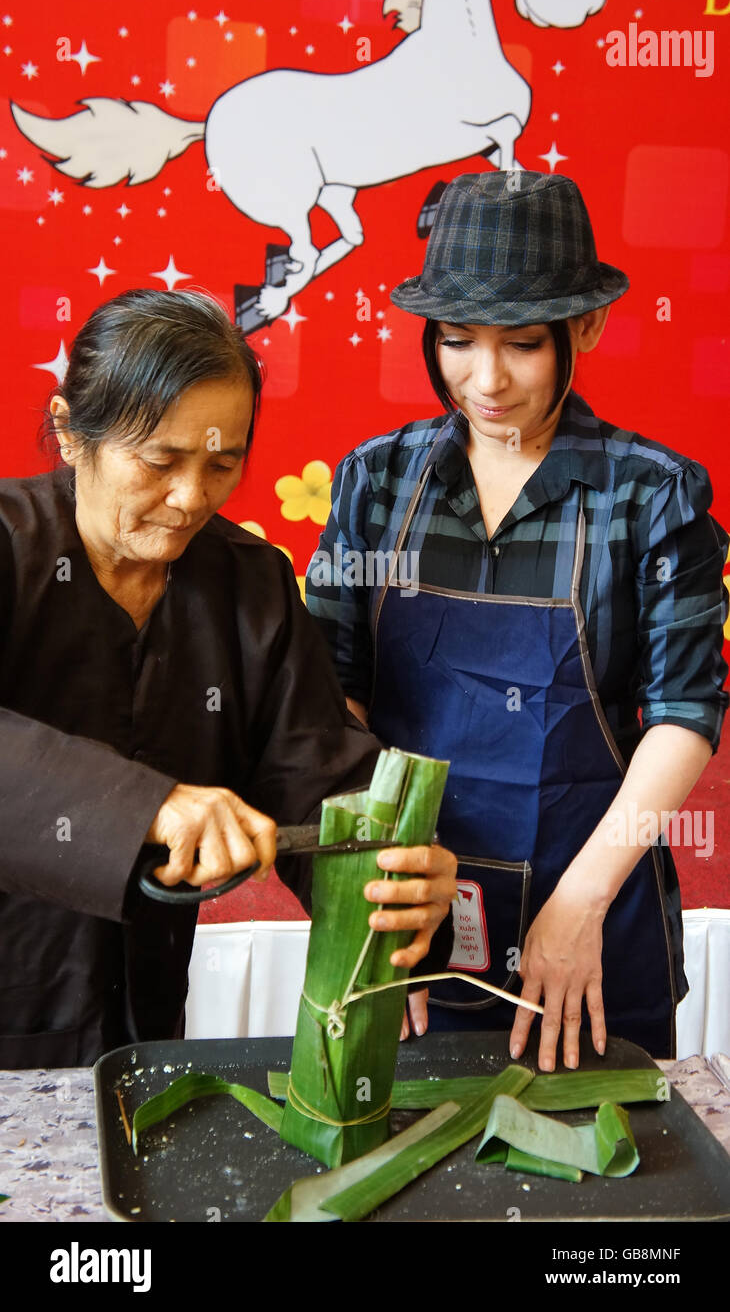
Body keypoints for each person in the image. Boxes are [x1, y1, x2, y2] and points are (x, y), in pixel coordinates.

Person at [306, 171, 729, 1069]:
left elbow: (685, 715)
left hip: (591, 909)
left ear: (588, 327)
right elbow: (327, 692)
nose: (485, 379)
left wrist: (577, 906)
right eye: (456, 342)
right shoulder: (376, 483)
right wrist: (386, 889)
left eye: (524, 345)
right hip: (408, 916)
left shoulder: (653, 494)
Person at [0, 288, 457, 1068]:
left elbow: (315, 776)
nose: (190, 499)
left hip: (139, 1026)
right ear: (71, 433)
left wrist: (396, 873)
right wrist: (152, 804)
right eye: (160, 461)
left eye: (223, 462)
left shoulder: (248, 584)